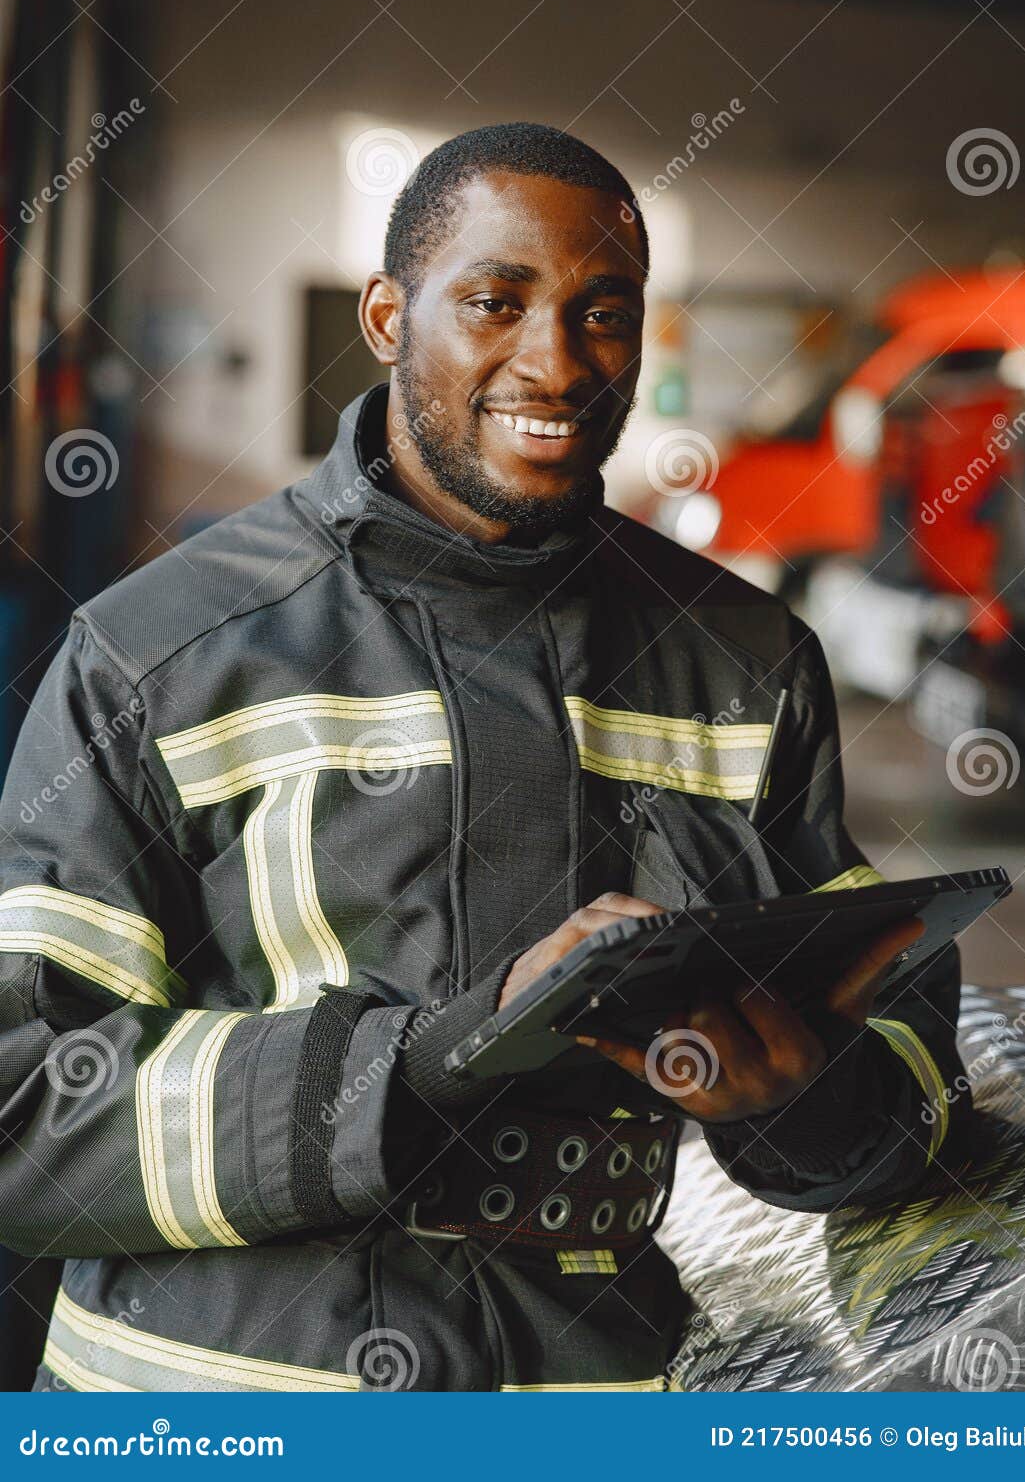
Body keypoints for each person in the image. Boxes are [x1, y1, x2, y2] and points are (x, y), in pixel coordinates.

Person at [0, 123, 965, 1393]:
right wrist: (419, 1067)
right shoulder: (160, 655)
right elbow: (27, 1107)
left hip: (591, 1406)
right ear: (390, 317)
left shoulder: (741, 662)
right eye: (495, 302)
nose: (555, 361)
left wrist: (800, 1091)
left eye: (603, 312)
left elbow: (908, 1076)